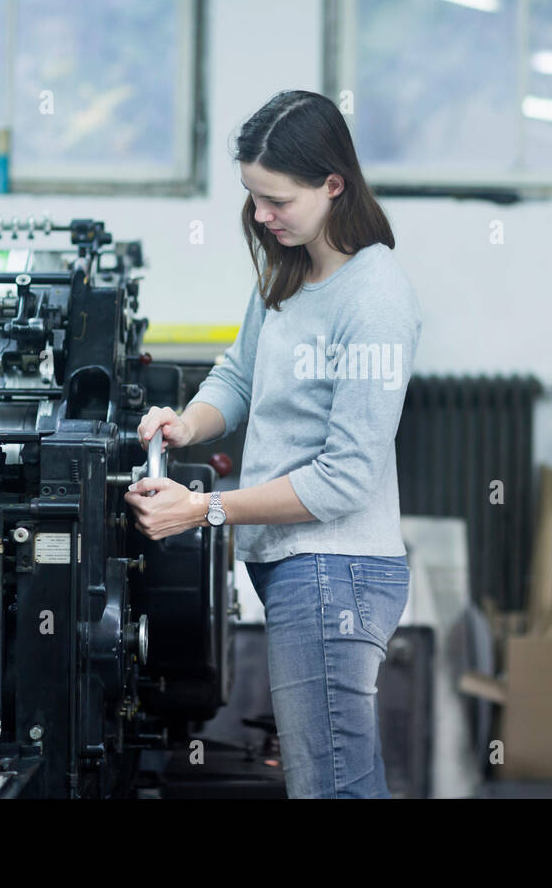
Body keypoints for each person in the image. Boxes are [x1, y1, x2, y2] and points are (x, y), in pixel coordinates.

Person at [123, 89, 422, 798]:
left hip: (337, 573)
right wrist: (188, 422)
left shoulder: (374, 299)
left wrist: (204, 509)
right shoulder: (291, 269)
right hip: (301, 566)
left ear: (333, 185)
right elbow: (239, 373)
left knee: (331, 787)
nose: (261, 215)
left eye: (277, 200)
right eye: (253, 197)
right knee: (339, 780)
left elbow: (345, 480)